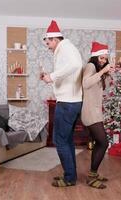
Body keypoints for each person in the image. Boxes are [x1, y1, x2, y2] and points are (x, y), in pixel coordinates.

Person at [40, 20, 83, 187]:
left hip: (67, 103)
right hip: (70, 101)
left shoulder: (65, 48)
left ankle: (70, 177)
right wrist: (50, 78)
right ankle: (70, 175)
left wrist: (53, 76)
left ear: (55, 39)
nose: (48, 46)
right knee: (66, 140)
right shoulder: (65, 49)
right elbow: (67, 75)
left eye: (48, 42)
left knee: (59, 140)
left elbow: (76, 65)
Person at [81, 42, 114, 189]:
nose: (103, 60)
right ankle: (91, 176)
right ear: (95, 56)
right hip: (89, 111)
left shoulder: (99, 69)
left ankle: (93, 174)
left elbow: (102, 86)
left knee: (99, 143)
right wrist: (102, 71)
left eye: (105, 58)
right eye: (101, 58)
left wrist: (109, 72)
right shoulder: (91, 66)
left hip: (96, 111)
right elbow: (86, 83)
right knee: (103, 142)